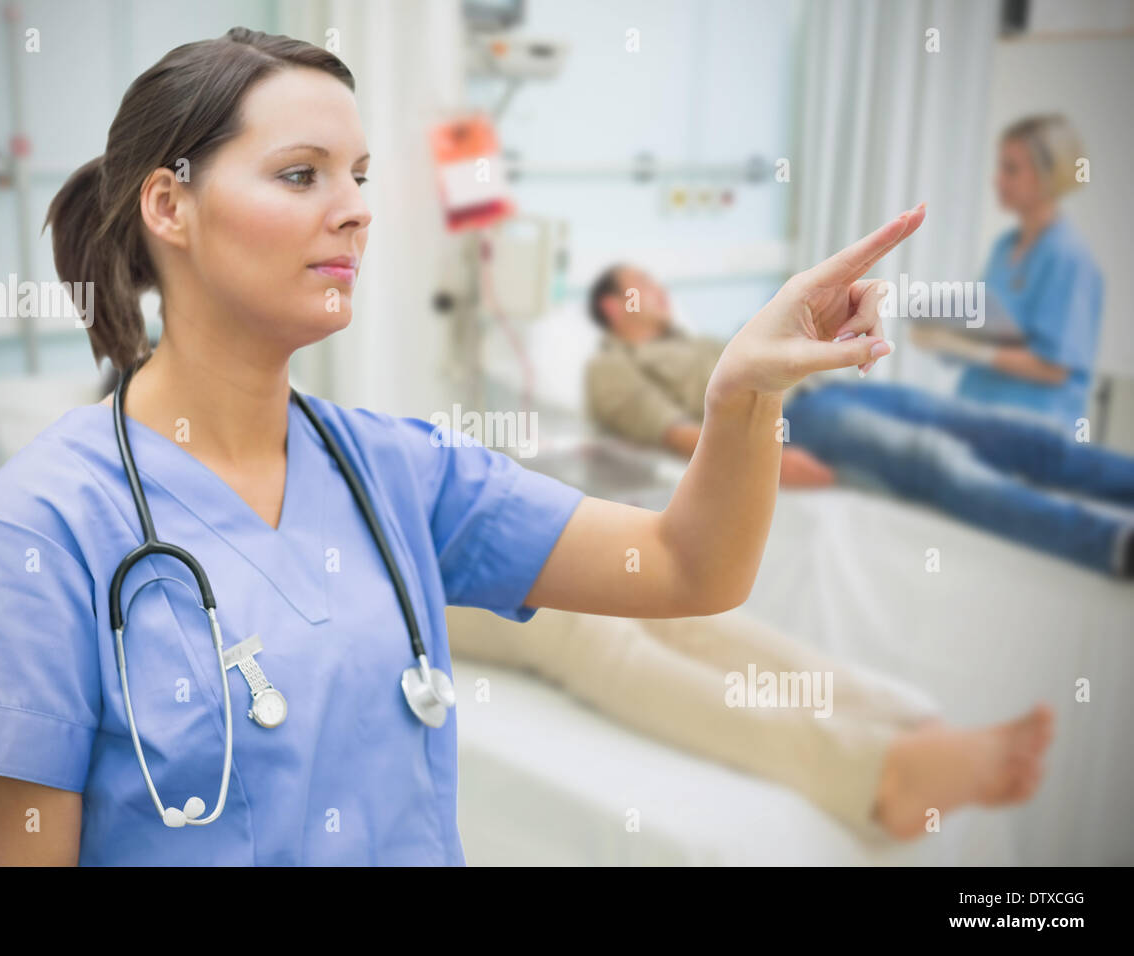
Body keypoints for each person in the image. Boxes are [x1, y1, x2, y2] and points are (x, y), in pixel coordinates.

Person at [0, 28, 928, 866]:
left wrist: (742, 392)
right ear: (168, 204)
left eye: (358, 175)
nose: (357, 207)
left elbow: (688, 565)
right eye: (301, 173)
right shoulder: (31, 537)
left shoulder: (398, 468)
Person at [585, 264, 1134, 577]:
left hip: (829, 390)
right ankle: (1110, 544)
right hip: (792, 421)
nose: (659, 291)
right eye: (642, 287)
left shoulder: (693, 340)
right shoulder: (611, 368)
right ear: (613, 306)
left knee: (1016, 435)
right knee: (935, 459)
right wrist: (765, 460)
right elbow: (675, 431)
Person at [444, 603, 1052, 842]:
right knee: (565, 618)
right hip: (382, 582)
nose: (655, 311)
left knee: (655, 595)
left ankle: (895, 721)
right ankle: (877, 773)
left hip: (421, 532)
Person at [913, 114, 1104, 431]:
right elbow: (984, 327)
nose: (997, 180)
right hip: (976, 417)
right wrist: (944, 336)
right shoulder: (1005, 247)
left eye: (1010, 169)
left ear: (1048, 175)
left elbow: (1056, 368)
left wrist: (976, 351)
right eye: (999, 166)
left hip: (1032, 432)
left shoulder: (1069, 259)